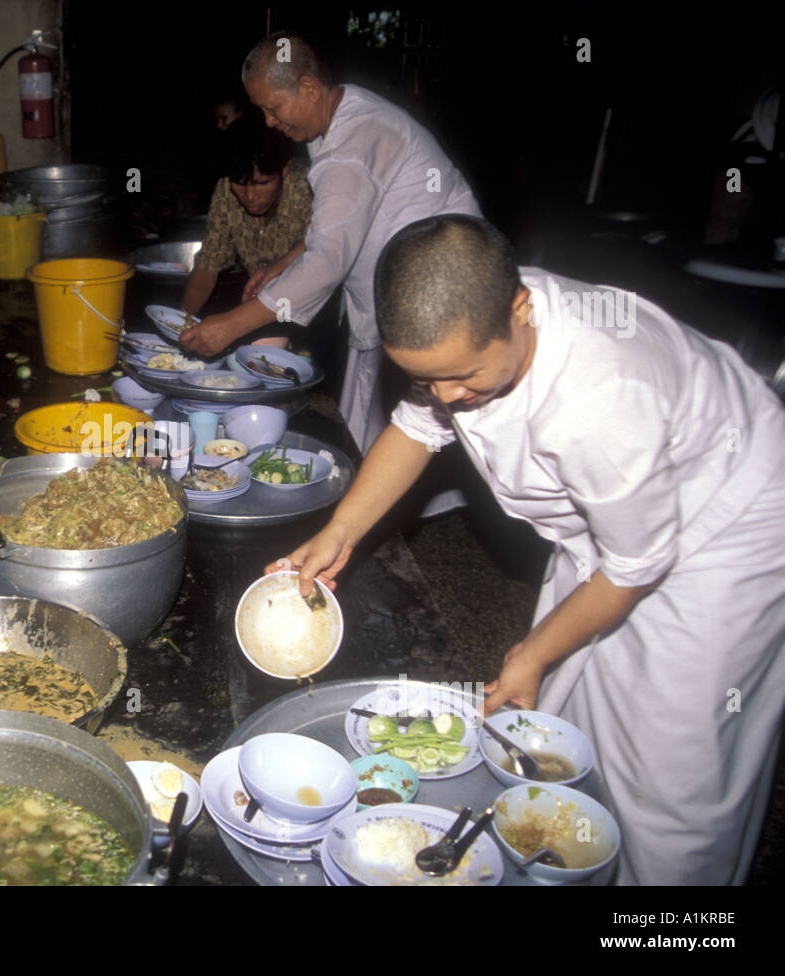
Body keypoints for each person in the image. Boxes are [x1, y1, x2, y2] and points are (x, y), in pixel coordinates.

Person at [273, 214, 785, 885]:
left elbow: (634, 567)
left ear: (521, 310)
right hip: (622, 519)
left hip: (730, 529)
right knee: (565, 724)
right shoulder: (474, 320)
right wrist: (340, 530)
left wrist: (529, 651)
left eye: (465, 377)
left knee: (673, 768)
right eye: (431, 382)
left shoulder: (603, 397)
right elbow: (417, 429)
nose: (449, 398)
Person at [180, 32, 480, 469]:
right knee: (376, 422)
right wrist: (284, 264)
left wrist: (232, 325)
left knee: (422, 425)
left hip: (441, 287)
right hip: (403, 282)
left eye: (272, 107)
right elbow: (338, 223)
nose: (267, 121)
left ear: (308, 88)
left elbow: (327, 260)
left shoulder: (351, 146)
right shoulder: (345, 111)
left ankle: (383, 513)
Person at [180, 117, 312, 348]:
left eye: (262, 183)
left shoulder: (308, 187)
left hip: (313, 311)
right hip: (259, 310)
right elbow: (209, 264)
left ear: (285, 168)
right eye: (240, 184)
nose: (250, 196)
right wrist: (182, 324)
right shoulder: (225, 191)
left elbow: (325, 246)